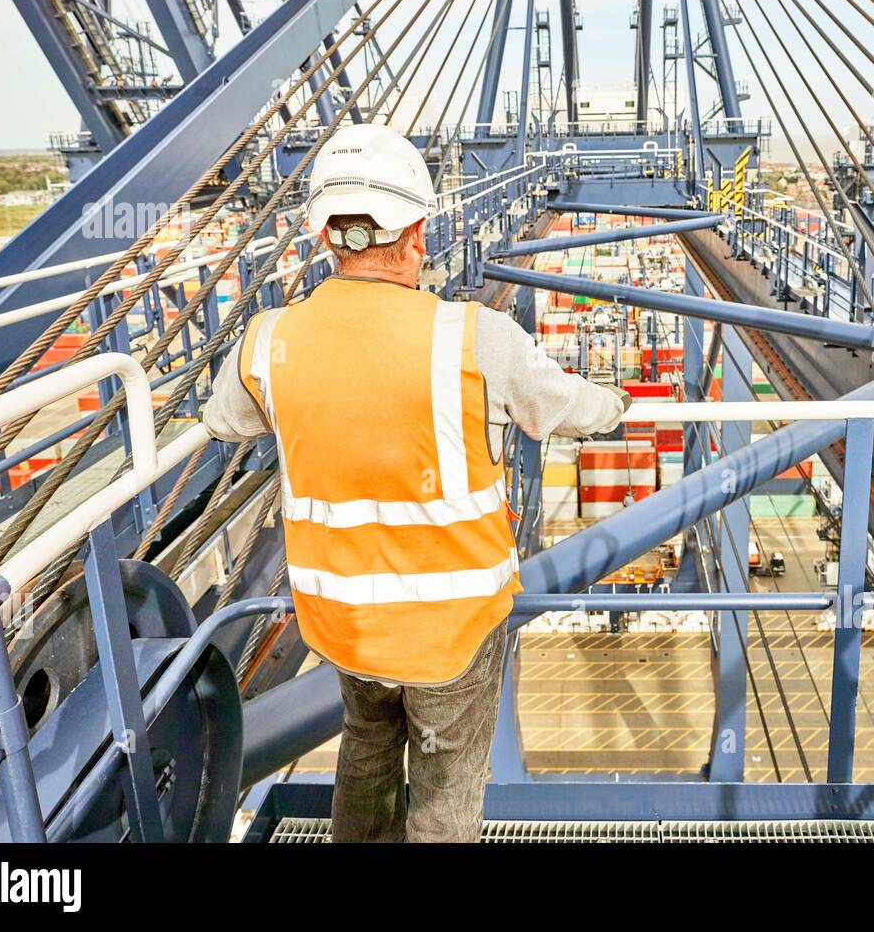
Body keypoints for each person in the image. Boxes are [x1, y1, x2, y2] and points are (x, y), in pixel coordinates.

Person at [203, 122, 629, 842]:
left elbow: (225, 421)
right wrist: (616, 404)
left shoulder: (266, 340)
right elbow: (566, 408)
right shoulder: (475, 336)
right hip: (450, 625)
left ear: (323, 236)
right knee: (445, 784)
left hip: (343, 618)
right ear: (419, 233)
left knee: (366, 747)